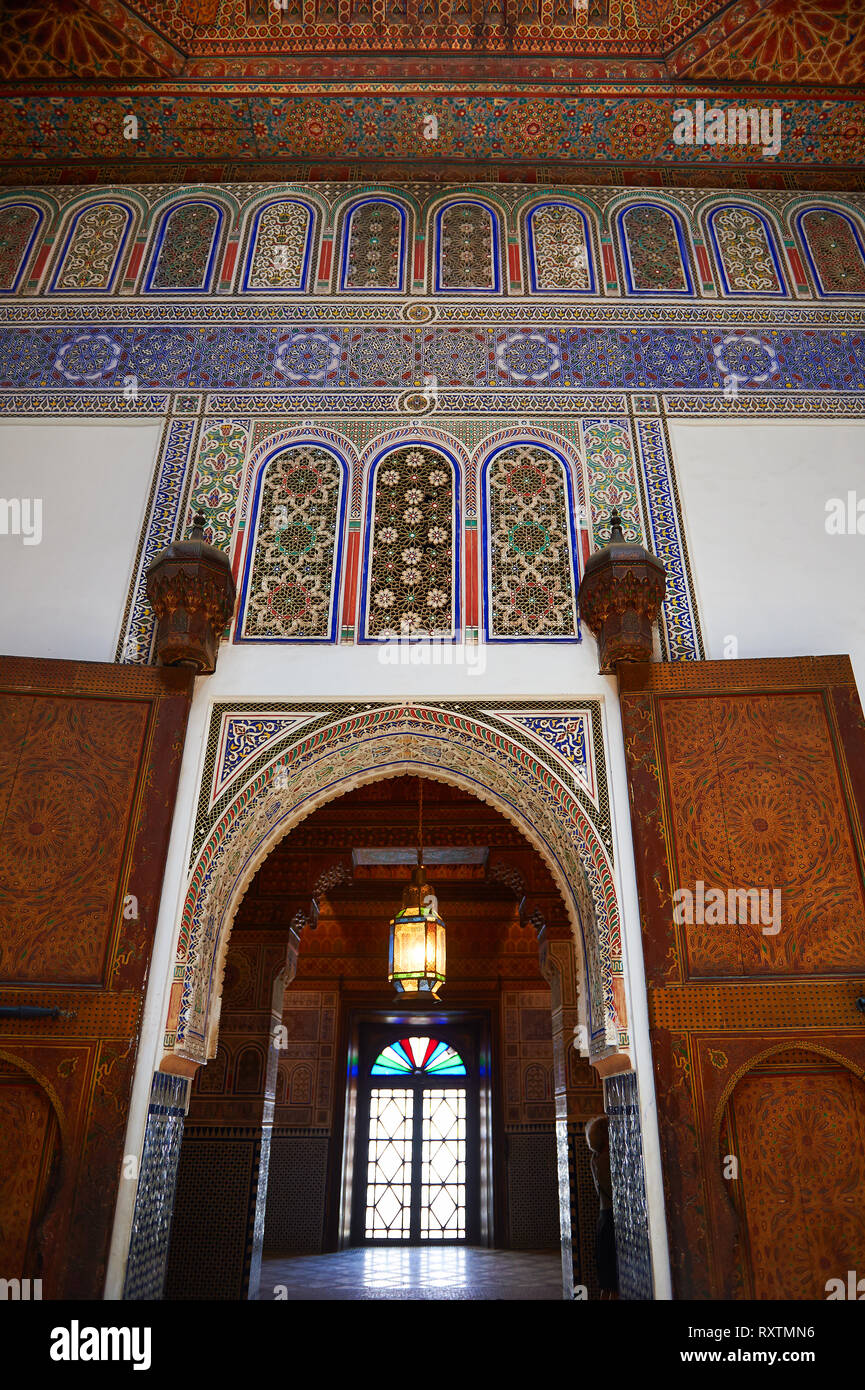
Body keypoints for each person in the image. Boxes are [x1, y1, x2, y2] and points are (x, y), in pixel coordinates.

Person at [586, 1114, 619, 1299]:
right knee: (613, 1284)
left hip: (603, 1220)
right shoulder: (607, 1160)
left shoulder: (594, 1159)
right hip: (611, 1221)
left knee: (606, 1284)